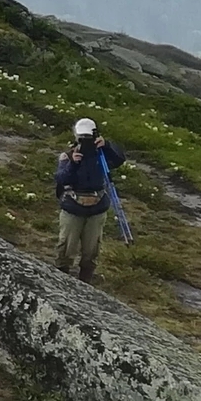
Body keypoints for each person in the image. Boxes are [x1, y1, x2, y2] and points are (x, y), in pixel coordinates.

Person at [54, 118, 127, 282]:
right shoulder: (68, 156)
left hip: (96, 208)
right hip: (73, 206)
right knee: (66, 246)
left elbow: (119, 159)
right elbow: (61, 178)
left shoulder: (102, 155)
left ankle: (85, 281)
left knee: (91, 249)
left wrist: (107, 145)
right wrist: (73, 163)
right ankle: (59, 278)